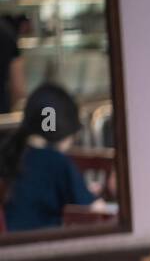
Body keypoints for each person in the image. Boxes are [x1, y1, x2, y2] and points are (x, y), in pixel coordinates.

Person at [0, 83, 94, 231]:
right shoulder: (57, 162)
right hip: (41, 246)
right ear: (63, 127)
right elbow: (89, 209)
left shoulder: (11, 151)